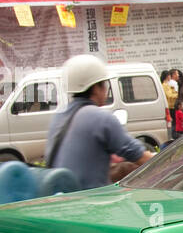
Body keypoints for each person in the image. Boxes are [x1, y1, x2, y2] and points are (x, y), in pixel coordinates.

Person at [46, 54, 151, 190]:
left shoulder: (59, 116)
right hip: (92, 204)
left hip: (62, 201)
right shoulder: (101, 118)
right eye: (104, 85)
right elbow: (140, 157)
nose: (106, 90)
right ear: (96, 88)